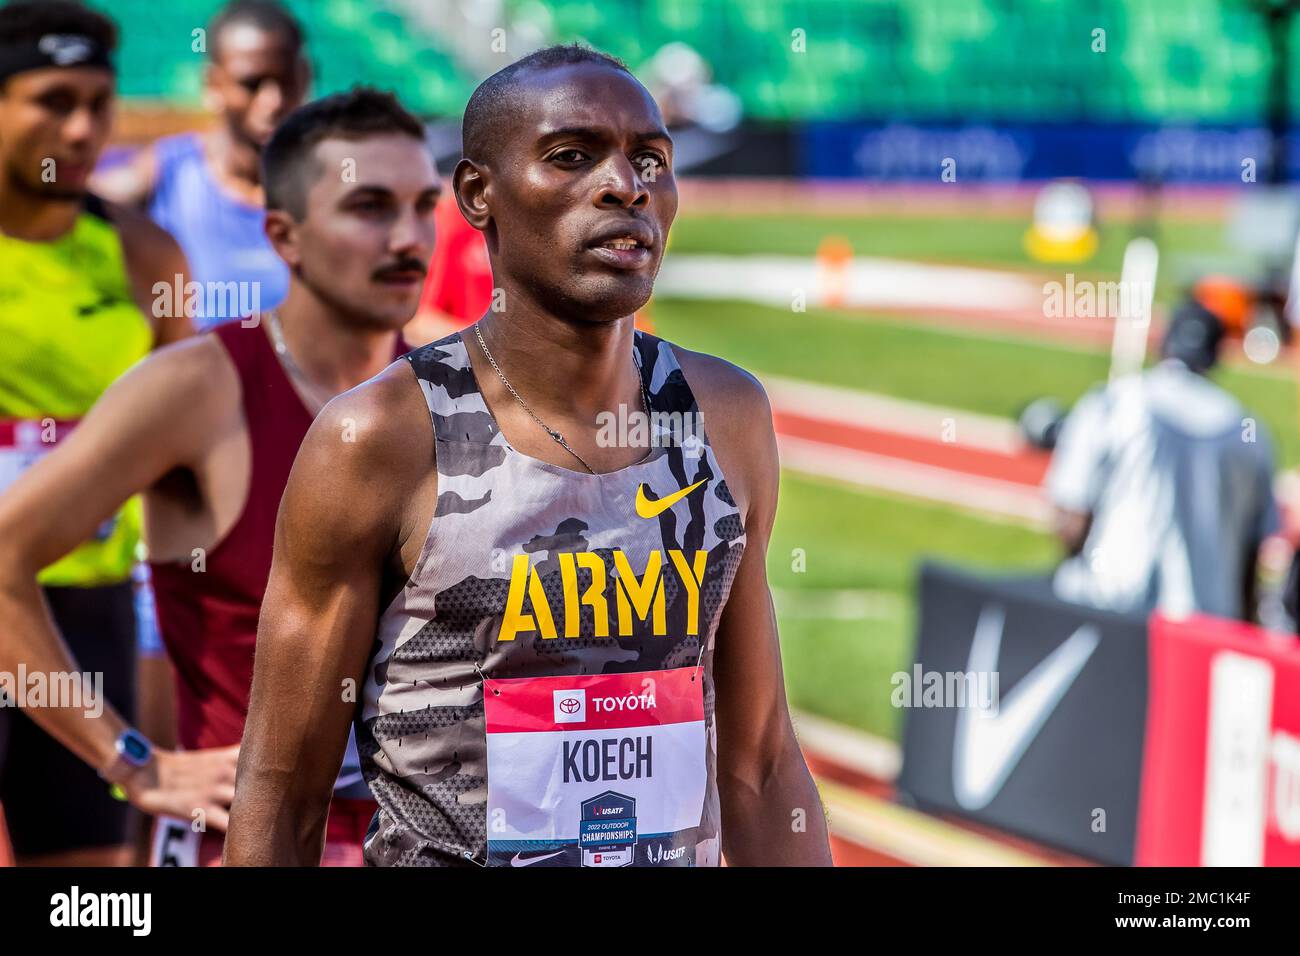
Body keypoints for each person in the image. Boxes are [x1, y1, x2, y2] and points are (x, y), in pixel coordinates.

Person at [225, 45, 831, 868]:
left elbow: (758, 762)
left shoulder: (725, 415)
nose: (626, 186)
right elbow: (281, 793)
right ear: (479, 195)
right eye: (572, 157)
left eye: (650, 158)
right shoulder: (380, 437)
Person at [0, 86, 438, 865]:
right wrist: (132, 760)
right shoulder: (198, 389)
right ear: (284, 235)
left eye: (423, 206)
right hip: (238, 842)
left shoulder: (456, 396)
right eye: (370, 207)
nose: (407, 238)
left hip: (421, 845)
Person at [0, 0, 196, 867]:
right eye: (51, 100)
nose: (81, 128)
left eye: (97, 102)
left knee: (88, 893)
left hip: (88, 614)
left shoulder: (147, 258)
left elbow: (184, 456)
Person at [1046, 301, 1279, 620]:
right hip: (1204, 626)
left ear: (1164, 342)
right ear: (1216, 356)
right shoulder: (1250, 430)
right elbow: (1253, 556)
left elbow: (1072, 519)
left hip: (1110, 607)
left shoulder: (1114, 401)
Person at [91, 0, 307, 328]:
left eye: (285, 81)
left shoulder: (329, 188)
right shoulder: (166, 174)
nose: (272, 101)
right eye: (251, 84)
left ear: (303, 77)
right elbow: (63, 208)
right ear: (213, 84)